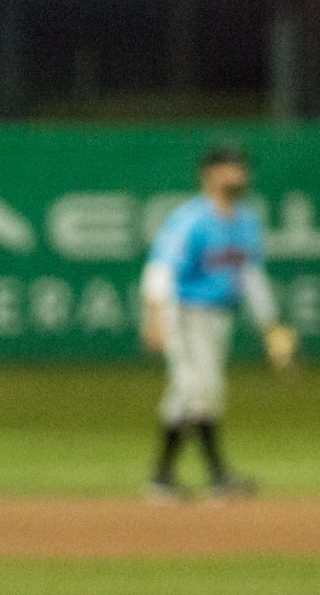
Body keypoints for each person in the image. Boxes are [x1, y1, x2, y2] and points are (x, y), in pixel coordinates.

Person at [139, 144, 295, 501]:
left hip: (219, 318)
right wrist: (155, 320)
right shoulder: (191, 219)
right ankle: (214, 476)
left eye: (242, 167)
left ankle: (165, 478)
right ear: (210, 174)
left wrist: (271, 325)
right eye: (231, 167)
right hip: (185, 314)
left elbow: (251, 277)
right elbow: (161, 269)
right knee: (199, 391)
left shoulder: (246, 221)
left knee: (191, 395)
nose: (239, 173)